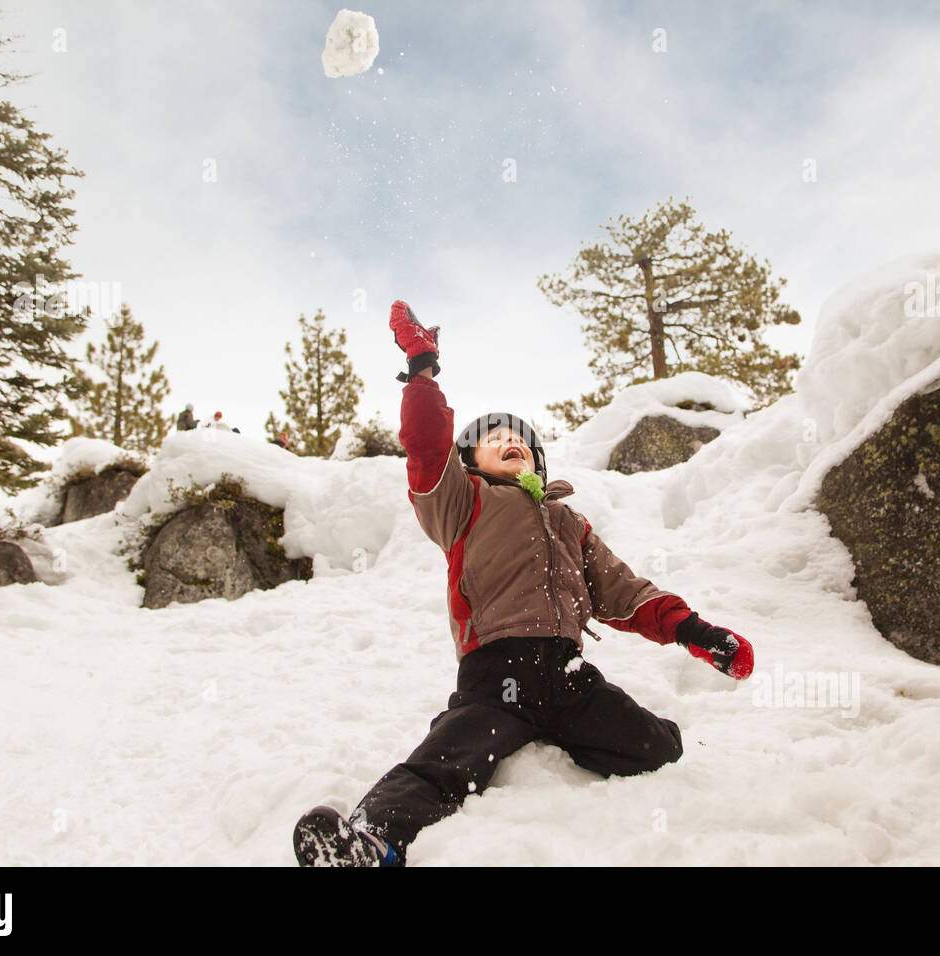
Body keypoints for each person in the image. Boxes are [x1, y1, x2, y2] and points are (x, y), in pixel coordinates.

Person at [291, 300, 754, 867]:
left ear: (536, 458)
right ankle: (369, 842)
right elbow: (427, 446)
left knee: (658, 746)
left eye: (521, 438)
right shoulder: (462, 502)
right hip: (495, 677)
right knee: (444, 764)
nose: (510, 440)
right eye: (494, 438)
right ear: (471, 461)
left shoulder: (568, 522)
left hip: (568, 675)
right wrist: (422, 367)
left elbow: (624, 592)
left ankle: (585, 735)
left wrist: (695, 631)